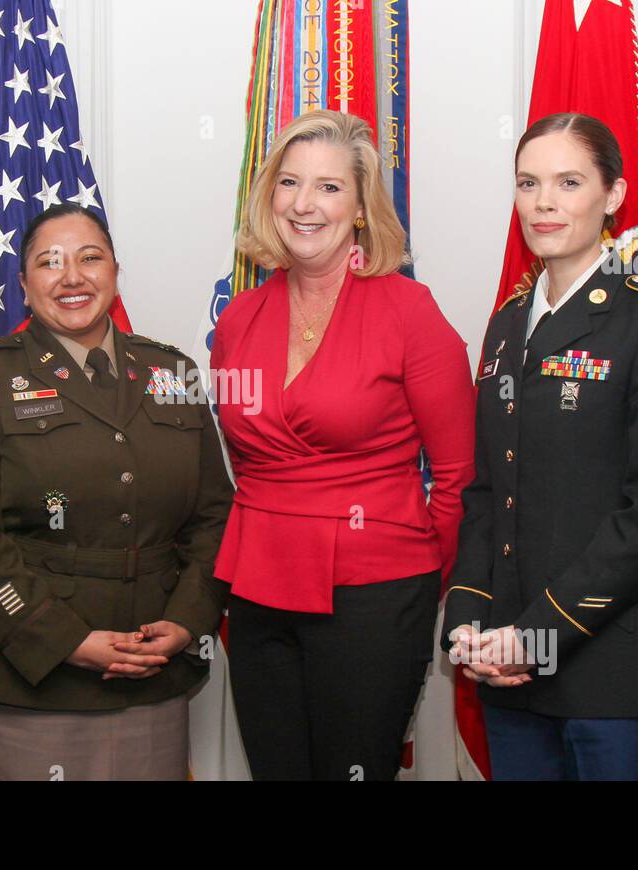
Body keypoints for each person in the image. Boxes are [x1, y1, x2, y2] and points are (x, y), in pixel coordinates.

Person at [441, 112, 638, 781]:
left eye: (568, 181)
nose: (545, 202)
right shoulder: (507, 324)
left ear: (613, 195)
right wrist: (468, 618)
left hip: (611, 670)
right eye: (528, 183)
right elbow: (486, 490)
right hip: (510, 670)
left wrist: (543, 633)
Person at [210, 109, 476, 780]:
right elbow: (244, 460)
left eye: (329, 187)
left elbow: (457, 477)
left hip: (376, 593)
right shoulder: (239, 319)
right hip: (258, 588)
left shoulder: (409, 311)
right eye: (290, 183)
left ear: (360, 208)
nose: (305, 204)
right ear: (269, 196)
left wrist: (413, 583)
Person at [0, 203, 233, 781]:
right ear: (22, 284)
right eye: (50, 262)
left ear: (116, 271)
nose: (73, 277)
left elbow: (213, 515)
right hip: (28, 680)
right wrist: (64, 640)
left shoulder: (174, 372)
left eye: (90, 258)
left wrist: (188, 620)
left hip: (152, 675)